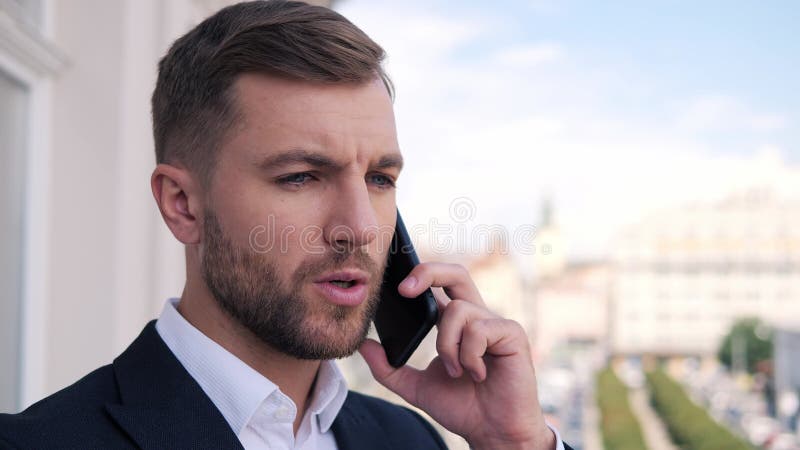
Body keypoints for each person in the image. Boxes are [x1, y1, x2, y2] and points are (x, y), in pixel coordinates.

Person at [0, 1, 571, 449]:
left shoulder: (408, 438)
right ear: (183, 205)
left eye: (379, 178)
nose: (360, 228)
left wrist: (516, 444)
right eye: (301, 177)